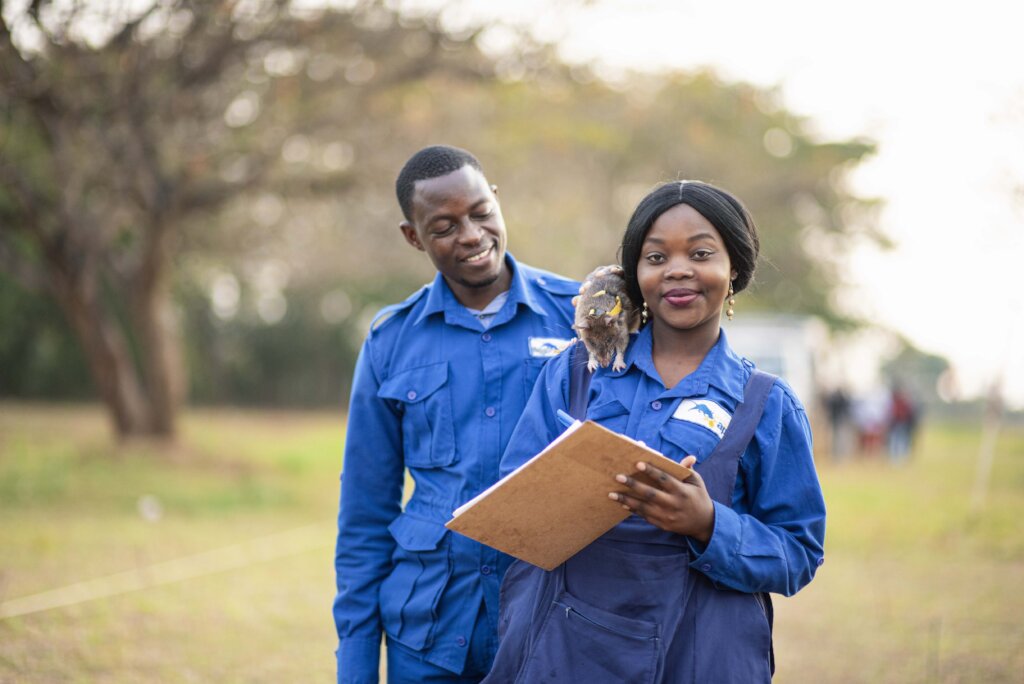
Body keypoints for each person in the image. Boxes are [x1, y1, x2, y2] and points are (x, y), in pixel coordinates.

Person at [484, 180, 826, 683]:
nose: (678, 269)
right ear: (637, 274)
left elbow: (798, 552)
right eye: (656, 256)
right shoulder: (578, 372)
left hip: (697, 655)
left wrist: (708, 523)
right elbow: (513, 506)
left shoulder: (766, 404)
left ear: (735, 270)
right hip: (565, 654)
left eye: (702, 252)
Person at [333, 145, 579, 684]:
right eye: (444, 225)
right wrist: (355, 667)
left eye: (481, 212)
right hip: (428, 636)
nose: (470, 235)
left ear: (497, 201)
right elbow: (364, 516)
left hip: (551, 630)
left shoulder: (581, 318)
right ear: (413, 237)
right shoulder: (390, 342)